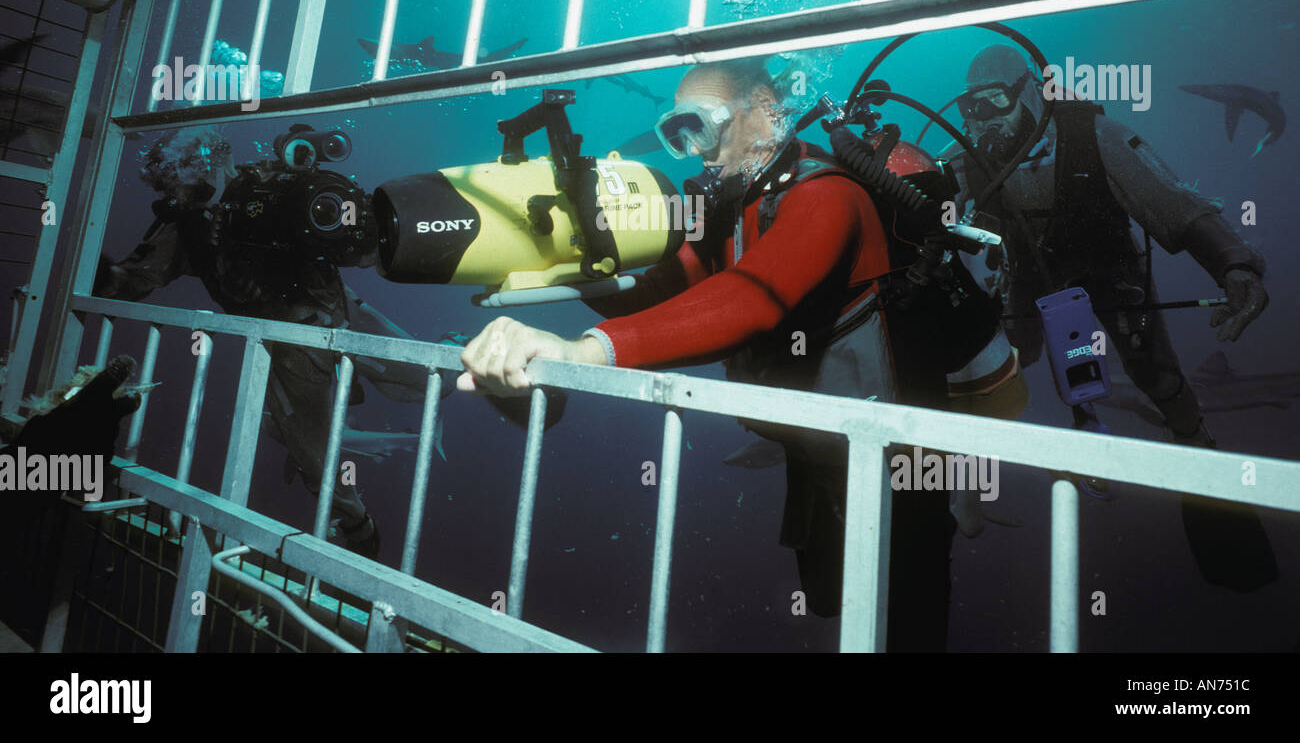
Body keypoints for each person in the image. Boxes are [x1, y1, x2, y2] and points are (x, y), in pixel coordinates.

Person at [456, 58, 1015, 650]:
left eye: (701, 125)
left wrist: (582, 351)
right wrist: (549, 277)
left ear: (768, 111)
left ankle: (958, 500)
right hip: (816, 438)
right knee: (838, 602)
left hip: (896, 451)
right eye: (676, 133)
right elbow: (659, 295)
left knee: (904, 609)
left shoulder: (829, 194)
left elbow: (750, 300)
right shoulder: (734, 204)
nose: (693, 148)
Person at [941, 45, 1276, 590]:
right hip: (1029, 276)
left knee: (1156, 377)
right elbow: (920, 200)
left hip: (1110, 270)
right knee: (1000, 362)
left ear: (1028, 90)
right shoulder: (967, 155)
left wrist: (1233, 264)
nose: (981, 119)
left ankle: (1197, 452)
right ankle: (971, 482)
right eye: (970, 107)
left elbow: (1174, 203)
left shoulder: (1096, 136)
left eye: (994, 100)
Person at [95, 127, 431, 557]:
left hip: (342, 310)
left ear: (220, 163)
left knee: (423, 375)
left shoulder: (278, 184)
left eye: (191, 189)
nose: (184, 202)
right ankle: (357, 525)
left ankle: (489, 375)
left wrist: (344, 218)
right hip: (286, 343)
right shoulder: (184, 227)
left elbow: (362, 248)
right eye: (173, 194)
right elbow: (136, 277)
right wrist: (104, 276)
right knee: (314, 456)